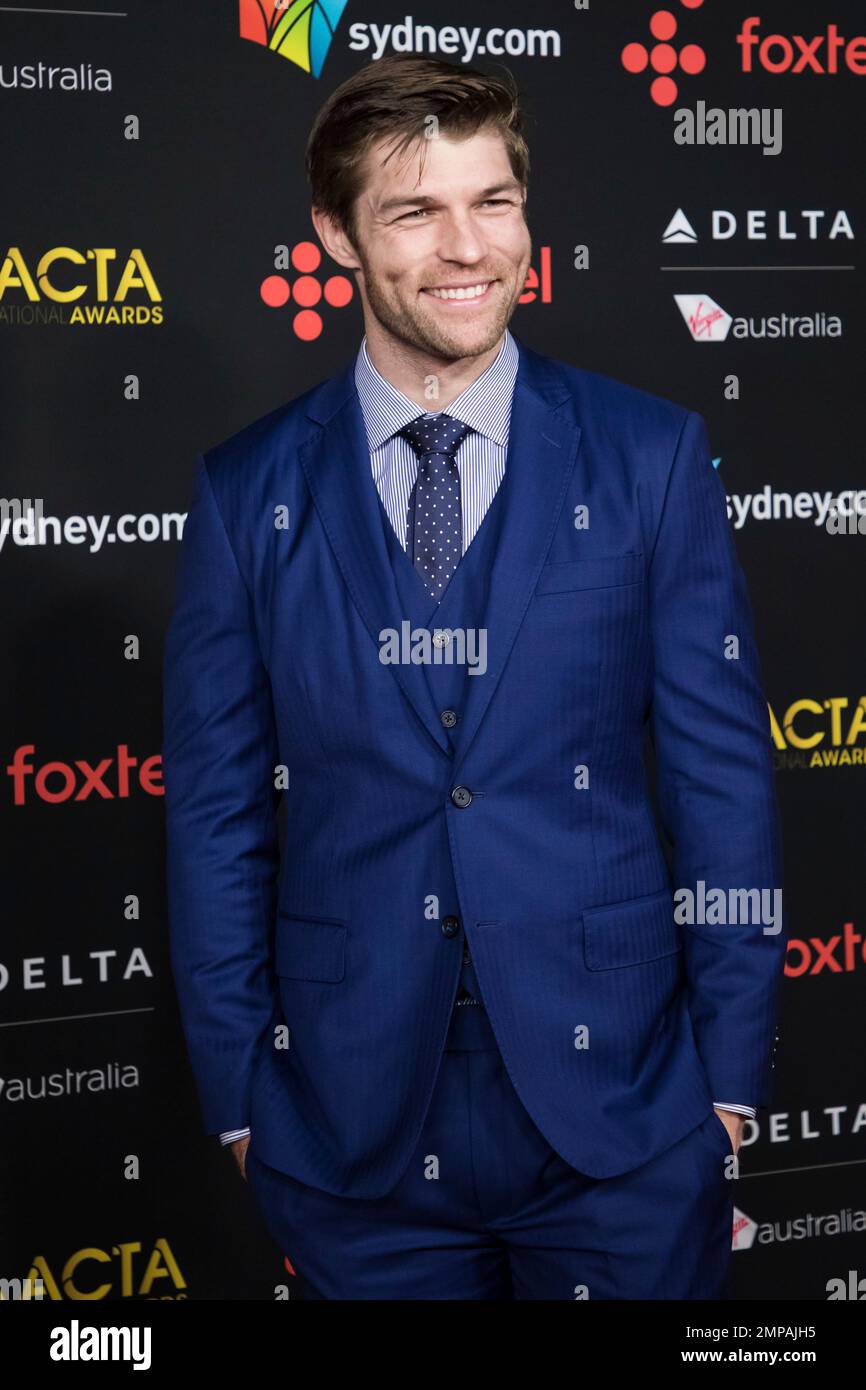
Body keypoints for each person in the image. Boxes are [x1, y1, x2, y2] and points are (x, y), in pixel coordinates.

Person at [162, 54, 785, 1300]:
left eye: (491, 201)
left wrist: (721, 1090)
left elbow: (723, 784)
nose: (468, 248)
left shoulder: (649, 456)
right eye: (415, 211)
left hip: (622, 1119)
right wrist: (242, 1102)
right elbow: (216, 816)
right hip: (350, 1134)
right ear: (334, 234)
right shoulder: (248, 494)